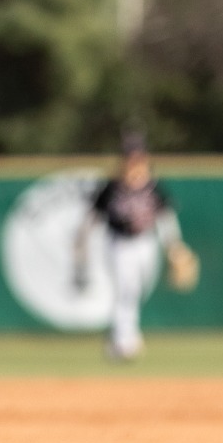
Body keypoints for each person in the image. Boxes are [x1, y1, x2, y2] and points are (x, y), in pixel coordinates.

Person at [73, 134, 198, 361]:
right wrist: (82, 240)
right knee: (126, 291)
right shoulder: (111, 187)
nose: (134, 160)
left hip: (145, 243)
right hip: (119, 243)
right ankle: (125, 341)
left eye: (138, 155)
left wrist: (174, 245)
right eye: (130, 156)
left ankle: (120, 337)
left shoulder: (153, 185)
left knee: (136, 290)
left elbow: (165, 217)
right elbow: (92, 217)